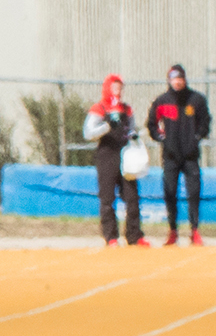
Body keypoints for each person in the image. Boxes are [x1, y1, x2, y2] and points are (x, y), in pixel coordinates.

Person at [147, 64, 209, 246]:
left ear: (184, 79)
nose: (177, 82)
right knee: (170, 192)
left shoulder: (196, 99)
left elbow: (206, 122)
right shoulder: (162, 100)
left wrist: (197, 137)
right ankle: (173, 231)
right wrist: (161, 138)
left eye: (180, 79)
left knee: (194, 192)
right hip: (171, 156)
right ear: (169, 80)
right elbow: (151, 124)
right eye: (174, 79)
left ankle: (194, 231)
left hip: (190, 156)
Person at [84, 74, 148, 247]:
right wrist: (106, 127)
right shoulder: (99, 108)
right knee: (107, 197)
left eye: (120, 86)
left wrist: (134, 136)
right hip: (106, 155)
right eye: (114, 86)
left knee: (132, 196)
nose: (118, 90)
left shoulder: (127, 109)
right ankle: (111, 237)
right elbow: (88, 133)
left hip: (125, 155)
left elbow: (132, 128)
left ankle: (134, 235)